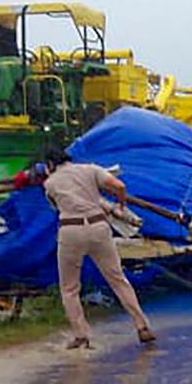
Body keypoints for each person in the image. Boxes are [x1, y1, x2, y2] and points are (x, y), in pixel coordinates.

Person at [41, 149, 155, 349]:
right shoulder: (91, 169)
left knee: (69, 288)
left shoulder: (50, 183)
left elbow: (56, 205)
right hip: (99, 227)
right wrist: (120, 205)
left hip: (70, 230)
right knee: (118, 279)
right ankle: (142, 326)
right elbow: (119, 185)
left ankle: (81, 336)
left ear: (50, 165)